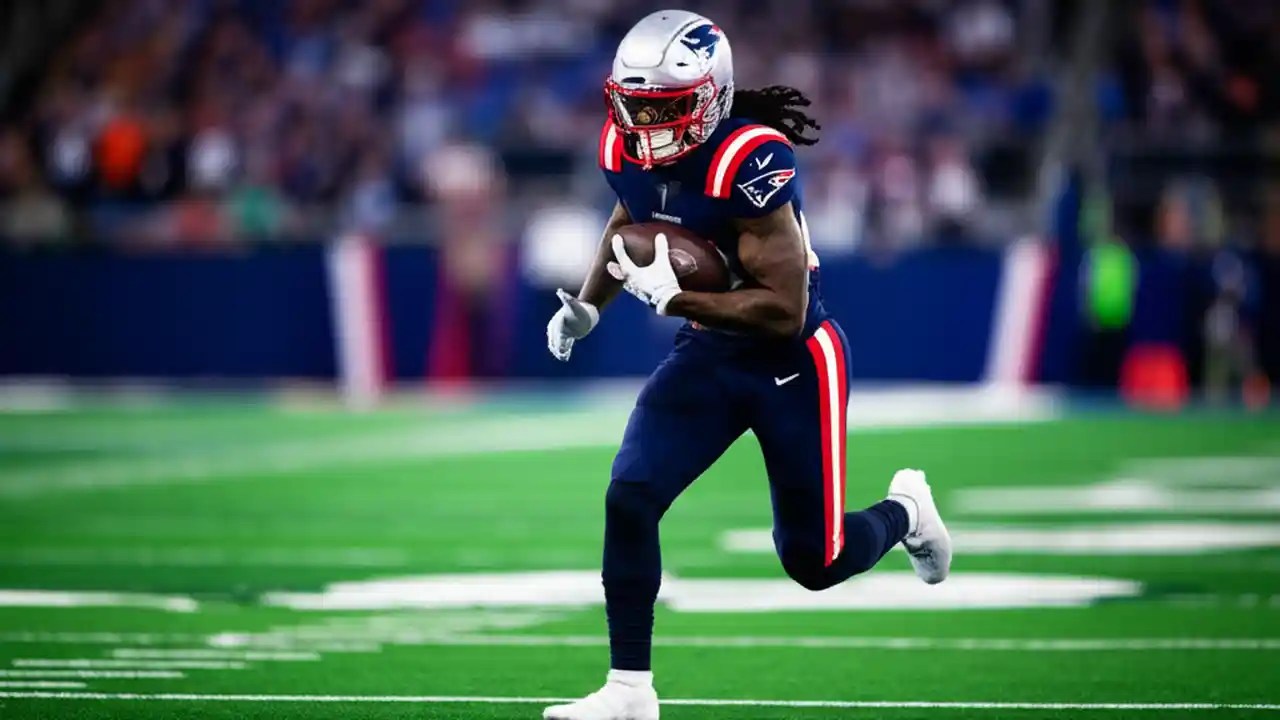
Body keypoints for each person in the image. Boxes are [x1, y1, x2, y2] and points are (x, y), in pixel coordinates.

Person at [543, 11, 952, 720]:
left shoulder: (749, 160)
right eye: (634, 105)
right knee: (629, 495)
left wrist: (678, 299)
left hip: (794, 361)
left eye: (662, 108)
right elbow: (627, 219)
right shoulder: (626, 147)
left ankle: (906, 510)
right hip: (710, 349)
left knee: (814, 563)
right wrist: (589, 305)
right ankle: (630, 691)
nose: (643, 124)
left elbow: (784, 310)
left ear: (710, 98)